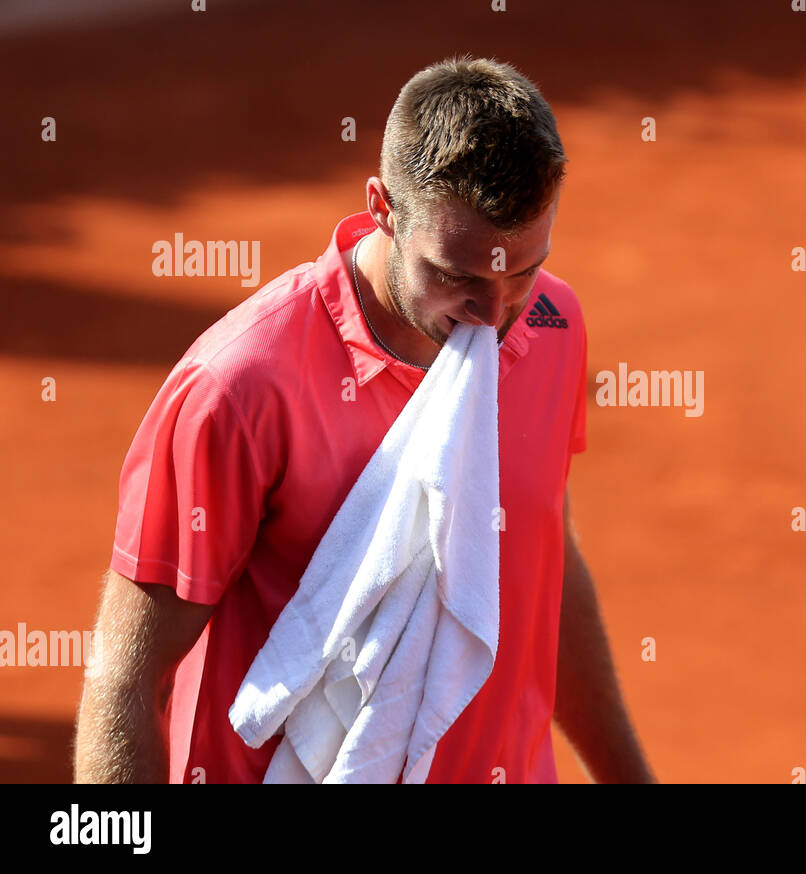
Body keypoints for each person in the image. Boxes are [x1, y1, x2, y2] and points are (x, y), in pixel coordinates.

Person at [73, 56, 655, 784]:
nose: (496, 313)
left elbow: (545, 574)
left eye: (524, 270)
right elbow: (127, 682)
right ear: (382, 207)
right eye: (458, 275)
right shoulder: (241, 387)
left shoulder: (554, 326)